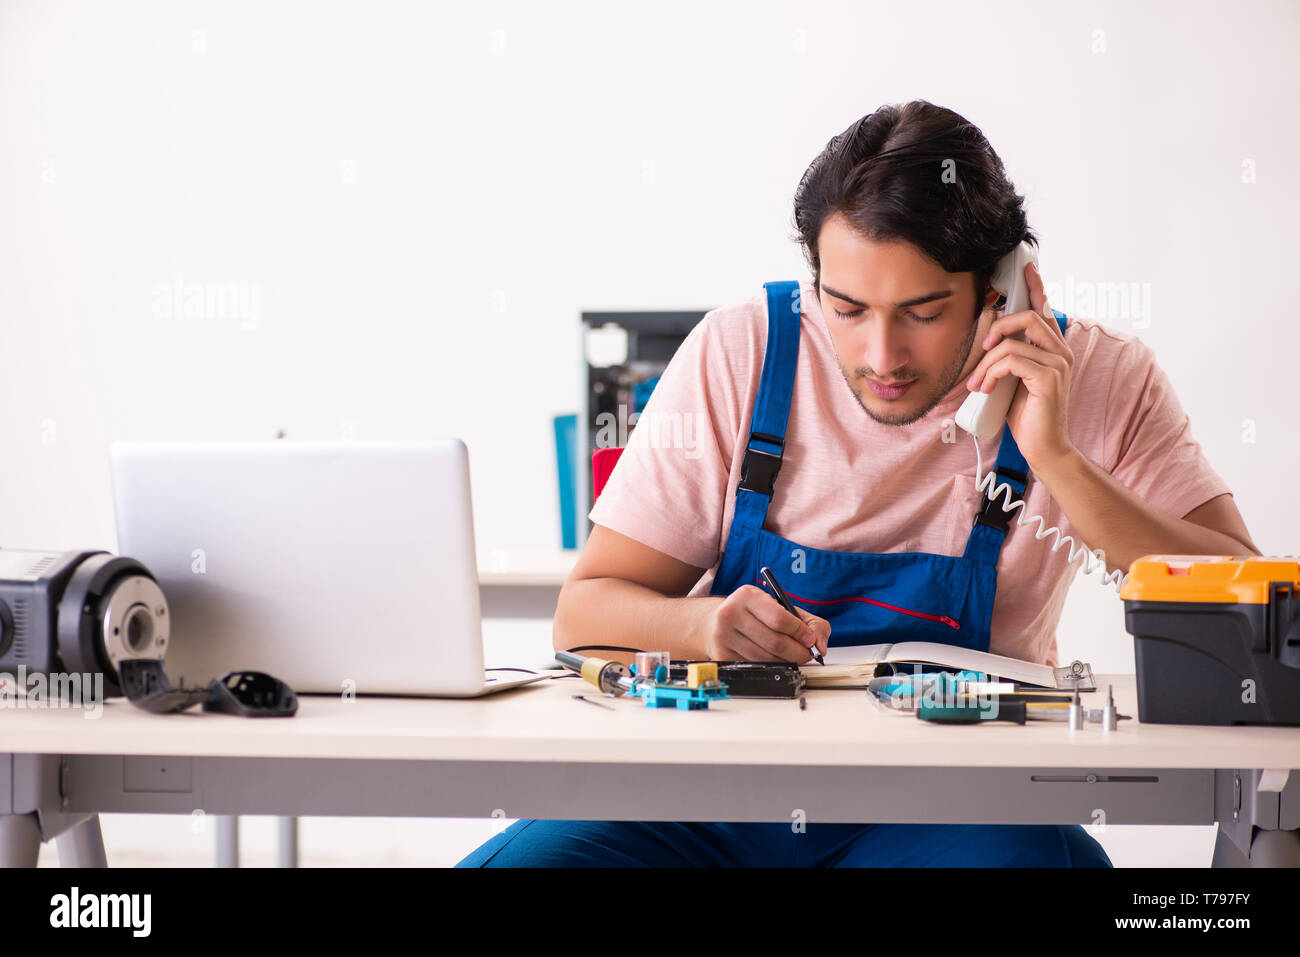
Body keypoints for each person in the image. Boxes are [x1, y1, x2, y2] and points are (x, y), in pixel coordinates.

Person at [457, 99, 1258, 868]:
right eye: (846, 309)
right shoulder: (743, 352)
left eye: (923, 309)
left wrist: (1055, 458)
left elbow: (1240, 618)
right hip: (702, 800)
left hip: (954, 813)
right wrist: (704, 628)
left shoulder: (1103, 378)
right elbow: (584, 614)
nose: (881, 355)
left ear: (1001, 288)